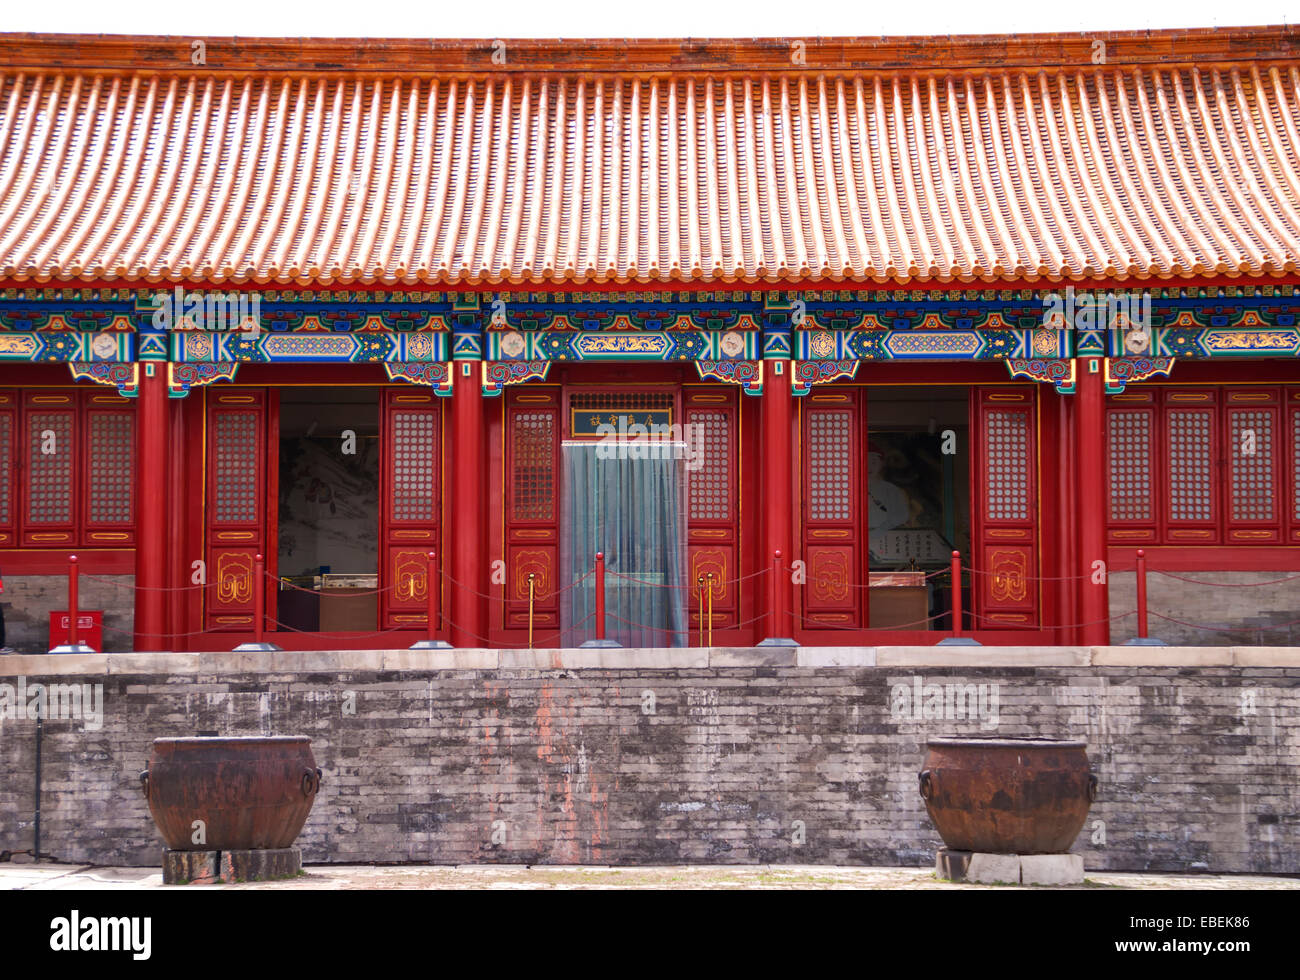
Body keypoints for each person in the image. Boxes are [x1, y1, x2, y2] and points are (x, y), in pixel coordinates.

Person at [866, 444, 910, 560]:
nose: (869, 466)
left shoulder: (891, 489)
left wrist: (881, 529)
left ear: (881, 464)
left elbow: (902, 515)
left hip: (885, 539)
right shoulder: (849, 489)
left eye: (874, 462)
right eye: (866, 462)